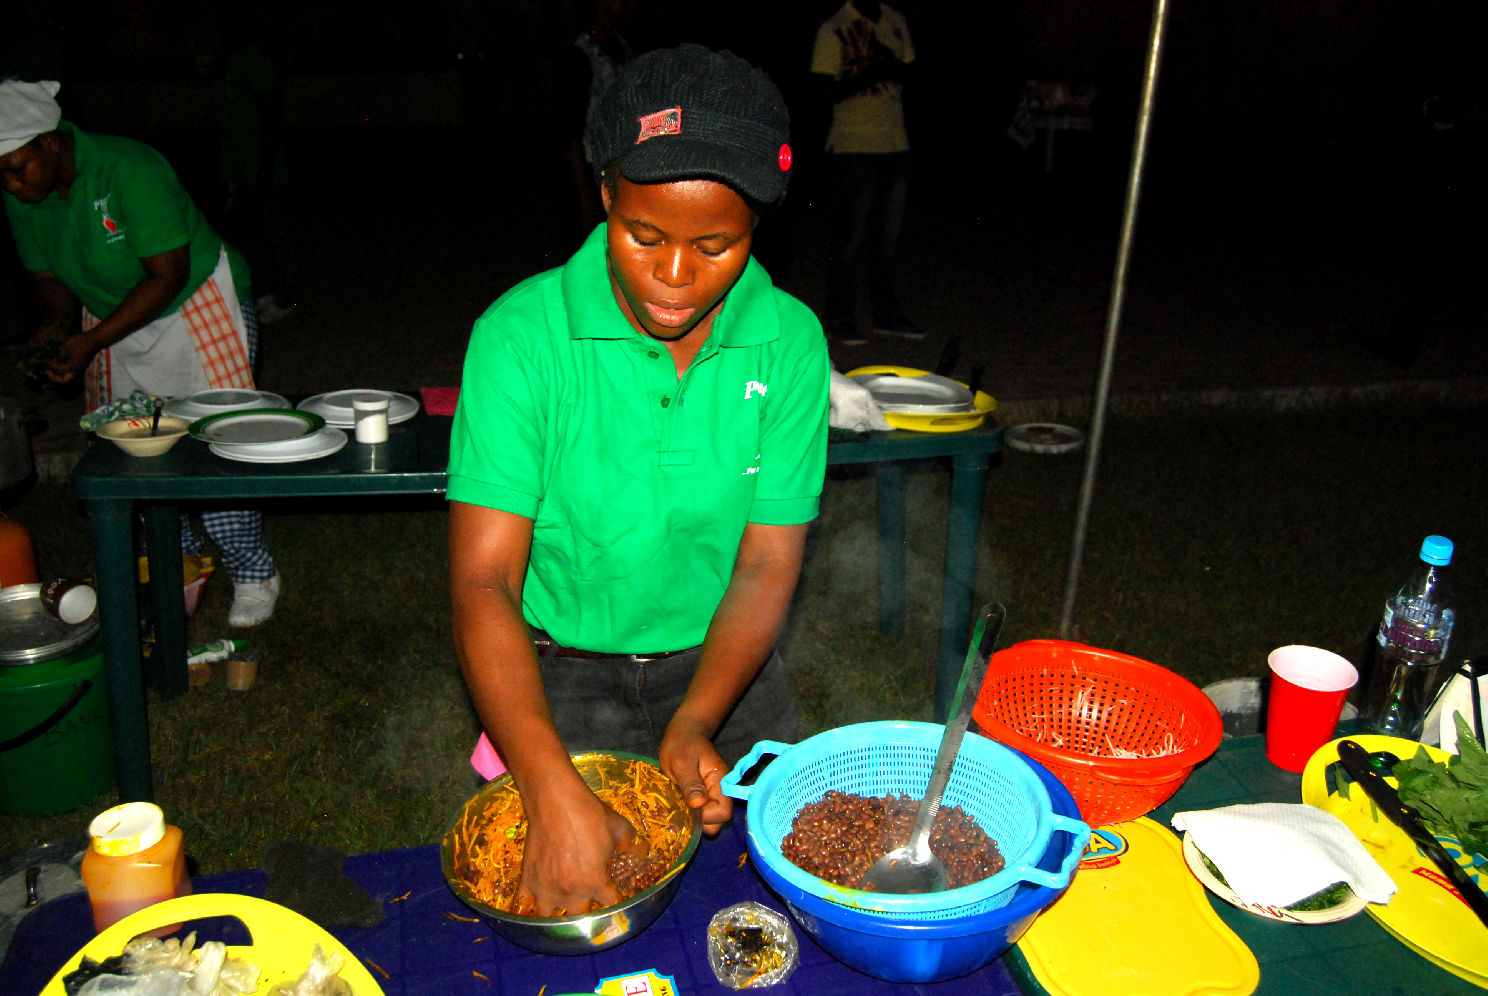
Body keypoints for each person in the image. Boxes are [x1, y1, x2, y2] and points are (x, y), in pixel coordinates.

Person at [448, 44, 829, 917]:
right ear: (607, 194)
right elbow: (482, 580)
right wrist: (546, 786)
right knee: (571, 887)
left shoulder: (790, 343)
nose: (675, 275)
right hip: (556, 675)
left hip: (726, 666)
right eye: (644, 235)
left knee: (771, 901)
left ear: (758, 227)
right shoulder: (523, 338)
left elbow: (768, 565)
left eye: (717, 245)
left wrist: (697, 718)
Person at [0, 78, 283, 627]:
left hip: (194, 302)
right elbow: (48, 281)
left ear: (51, 142)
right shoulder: (27, 193)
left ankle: (253, 573)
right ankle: (177, 563)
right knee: (138, 449)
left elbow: (166, 272)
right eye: (1, 174)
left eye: (17, 167)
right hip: (109, 316)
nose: (10, 185)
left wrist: (89, 341)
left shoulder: (130, 168)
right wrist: (57, 332)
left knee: (216, 443)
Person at [810, 0, 921, 346]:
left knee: (887, 240)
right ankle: (838, 318)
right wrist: (871, 73)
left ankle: (886, 315)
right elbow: (820, 93)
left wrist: (891, 69)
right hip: (852, 146)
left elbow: (913, 76)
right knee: (848, 238)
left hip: (895, 141)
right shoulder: (834, 27)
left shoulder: (895, 19)